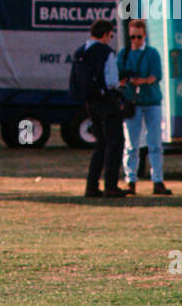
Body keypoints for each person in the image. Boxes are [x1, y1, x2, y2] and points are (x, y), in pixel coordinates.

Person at [118, 19, 172, 196]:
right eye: (132, 37)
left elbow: (157, 75)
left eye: (139, 37)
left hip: (151, 101)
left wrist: (144, 80)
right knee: (131, 144)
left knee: (154, 143)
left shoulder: (152, 53)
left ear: (145, 36)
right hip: (132, 103)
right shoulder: (124, 54)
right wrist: (127, 81)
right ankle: (130, 180)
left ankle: (157, 180)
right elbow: (119, 75)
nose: (135, 40)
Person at [74, 18, 126, 199]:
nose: (110, 39)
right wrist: (120, 85)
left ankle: (92, 186)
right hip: (107, 102)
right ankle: (111, 186)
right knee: (115, 143)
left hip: (90, 102)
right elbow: (111, 80)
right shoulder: (105, 52)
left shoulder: (80, 52)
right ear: (105, 35)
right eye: (110, 35)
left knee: (100, 145)